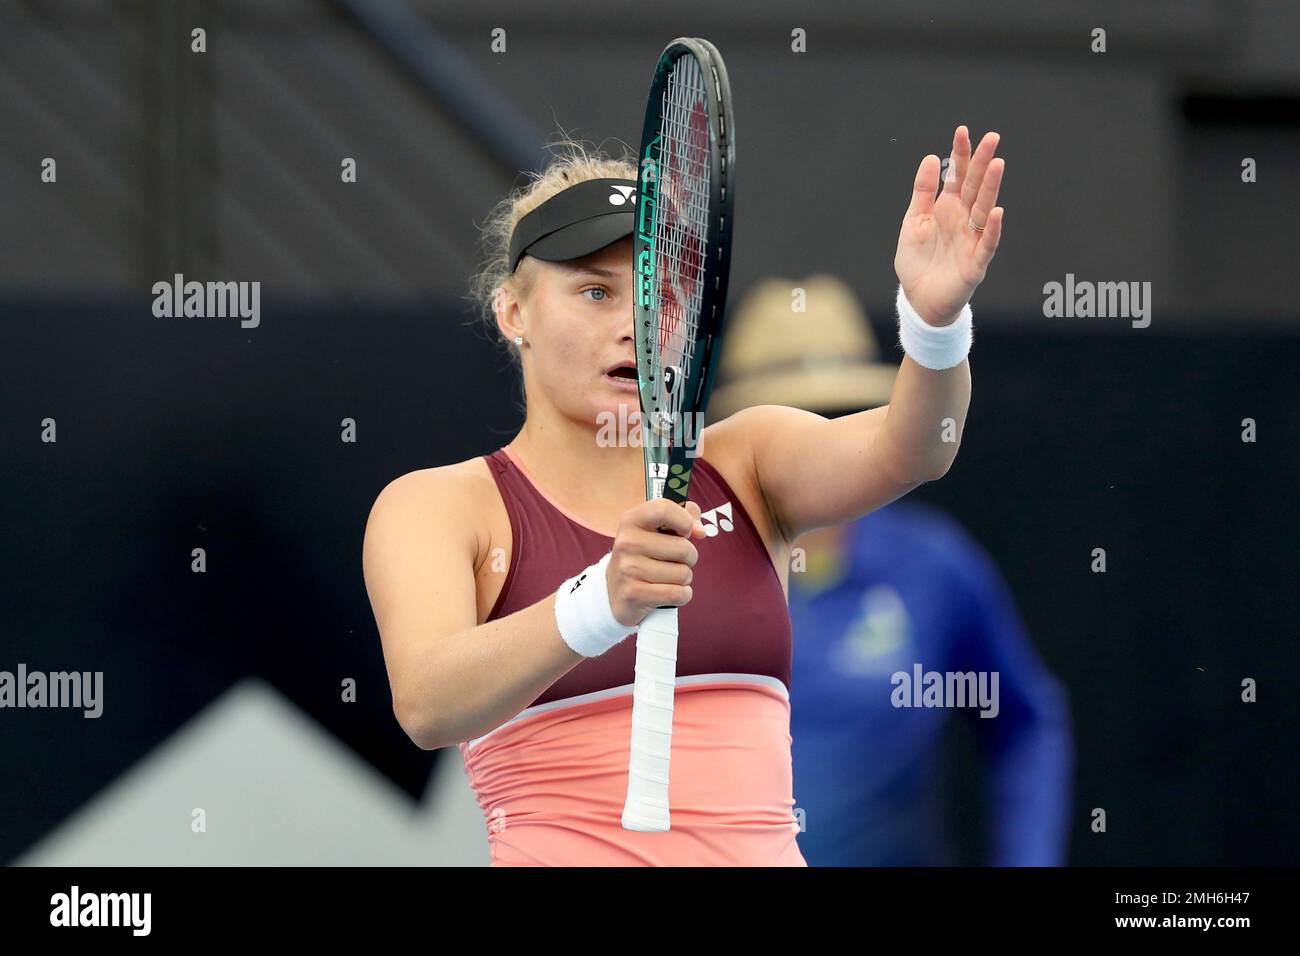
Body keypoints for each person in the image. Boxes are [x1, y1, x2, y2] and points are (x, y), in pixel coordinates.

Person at [362, 127, 1006, 865]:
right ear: (514, 313)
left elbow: (918, 446)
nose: (631, 326)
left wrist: (934, 324)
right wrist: (600, 602)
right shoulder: (440, 506)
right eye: (595, 292)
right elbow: (426, 703)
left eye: (654, 296)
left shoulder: (746, 459)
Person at [710, 275, 1073, 866]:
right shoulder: (683, 570)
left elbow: (1028, 722)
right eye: (786, 421)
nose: (810, 441)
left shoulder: (934, 566)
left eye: (835, 413)